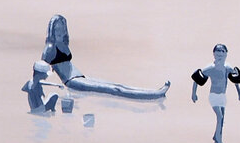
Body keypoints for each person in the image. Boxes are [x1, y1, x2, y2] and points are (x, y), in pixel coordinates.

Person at [40, 15, 170, 99]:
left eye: (62, 29)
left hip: (80, 76)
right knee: (115, 89)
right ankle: (154, 94)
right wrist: (55, 84)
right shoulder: (50, 48)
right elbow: (39, 72)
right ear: (52, 30)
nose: (60, 32)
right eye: (57, 29)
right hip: (72, 81)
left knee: (118, 85)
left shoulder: (63, 44)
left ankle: (153, 92)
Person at [191, 44, 240, 143]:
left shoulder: (227, 68)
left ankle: (216, 136)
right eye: (218, 51)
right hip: (213, 96)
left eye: (223, 51)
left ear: (226, 54)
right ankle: (219, 140)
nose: (220, 53)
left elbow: (235, 81)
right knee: (219, 117)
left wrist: (239, 94)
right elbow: (197, 79)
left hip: (223, 97)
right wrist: (194, 94)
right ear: (214, 53)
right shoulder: (210, 68)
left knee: (222, 118)